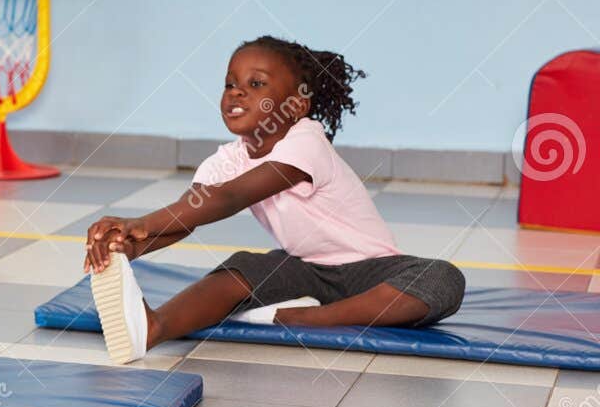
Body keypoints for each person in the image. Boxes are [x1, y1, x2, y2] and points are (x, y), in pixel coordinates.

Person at [83, 36, 466, 363]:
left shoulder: (306, 141)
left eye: (256, 84)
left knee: (442, 278)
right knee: (240, 268)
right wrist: (128, 246)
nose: (236, 92)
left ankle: (304, 318)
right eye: (230, 84)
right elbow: (189, 214)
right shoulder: (228, 158)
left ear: (295, 106)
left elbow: (230, 197)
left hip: (370, 272)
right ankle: (152, 327)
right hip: (304, 270)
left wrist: (141, 223)